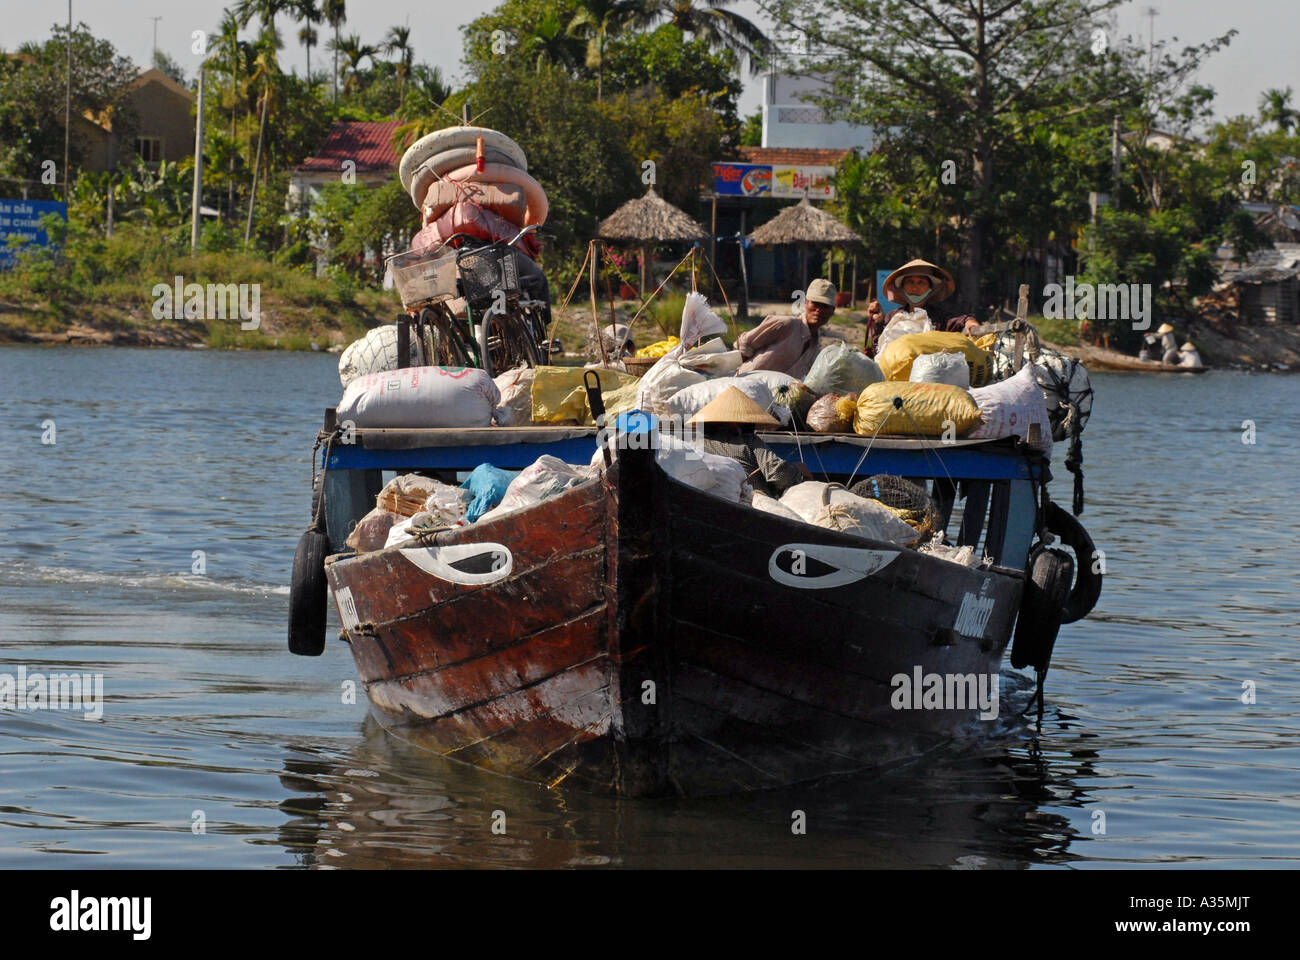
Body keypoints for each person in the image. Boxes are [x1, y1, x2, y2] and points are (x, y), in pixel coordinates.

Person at [690, 386, 811, 497]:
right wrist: (798, 470)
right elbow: (779, 475)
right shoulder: (748, 441)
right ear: (735, 423)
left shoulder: (692, 445)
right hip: (752, 505)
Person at [865, 259, 973, 356]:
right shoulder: (892, 317)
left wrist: (969, 322)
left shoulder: (939, 317)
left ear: (930, 288)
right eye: (910, 282)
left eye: (921, 282)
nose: (914, 287)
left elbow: (959, 321)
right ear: (902, 287)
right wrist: (877, 323)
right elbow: (878, 351)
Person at [736, 278, 836, 380]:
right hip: (746, 384)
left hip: (773, 395)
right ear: (805, 303)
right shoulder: (785, 324)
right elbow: (744, 344)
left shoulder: (815, 348)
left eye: (825, 306)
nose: (819, 310)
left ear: (832, 311)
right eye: (815, 303)